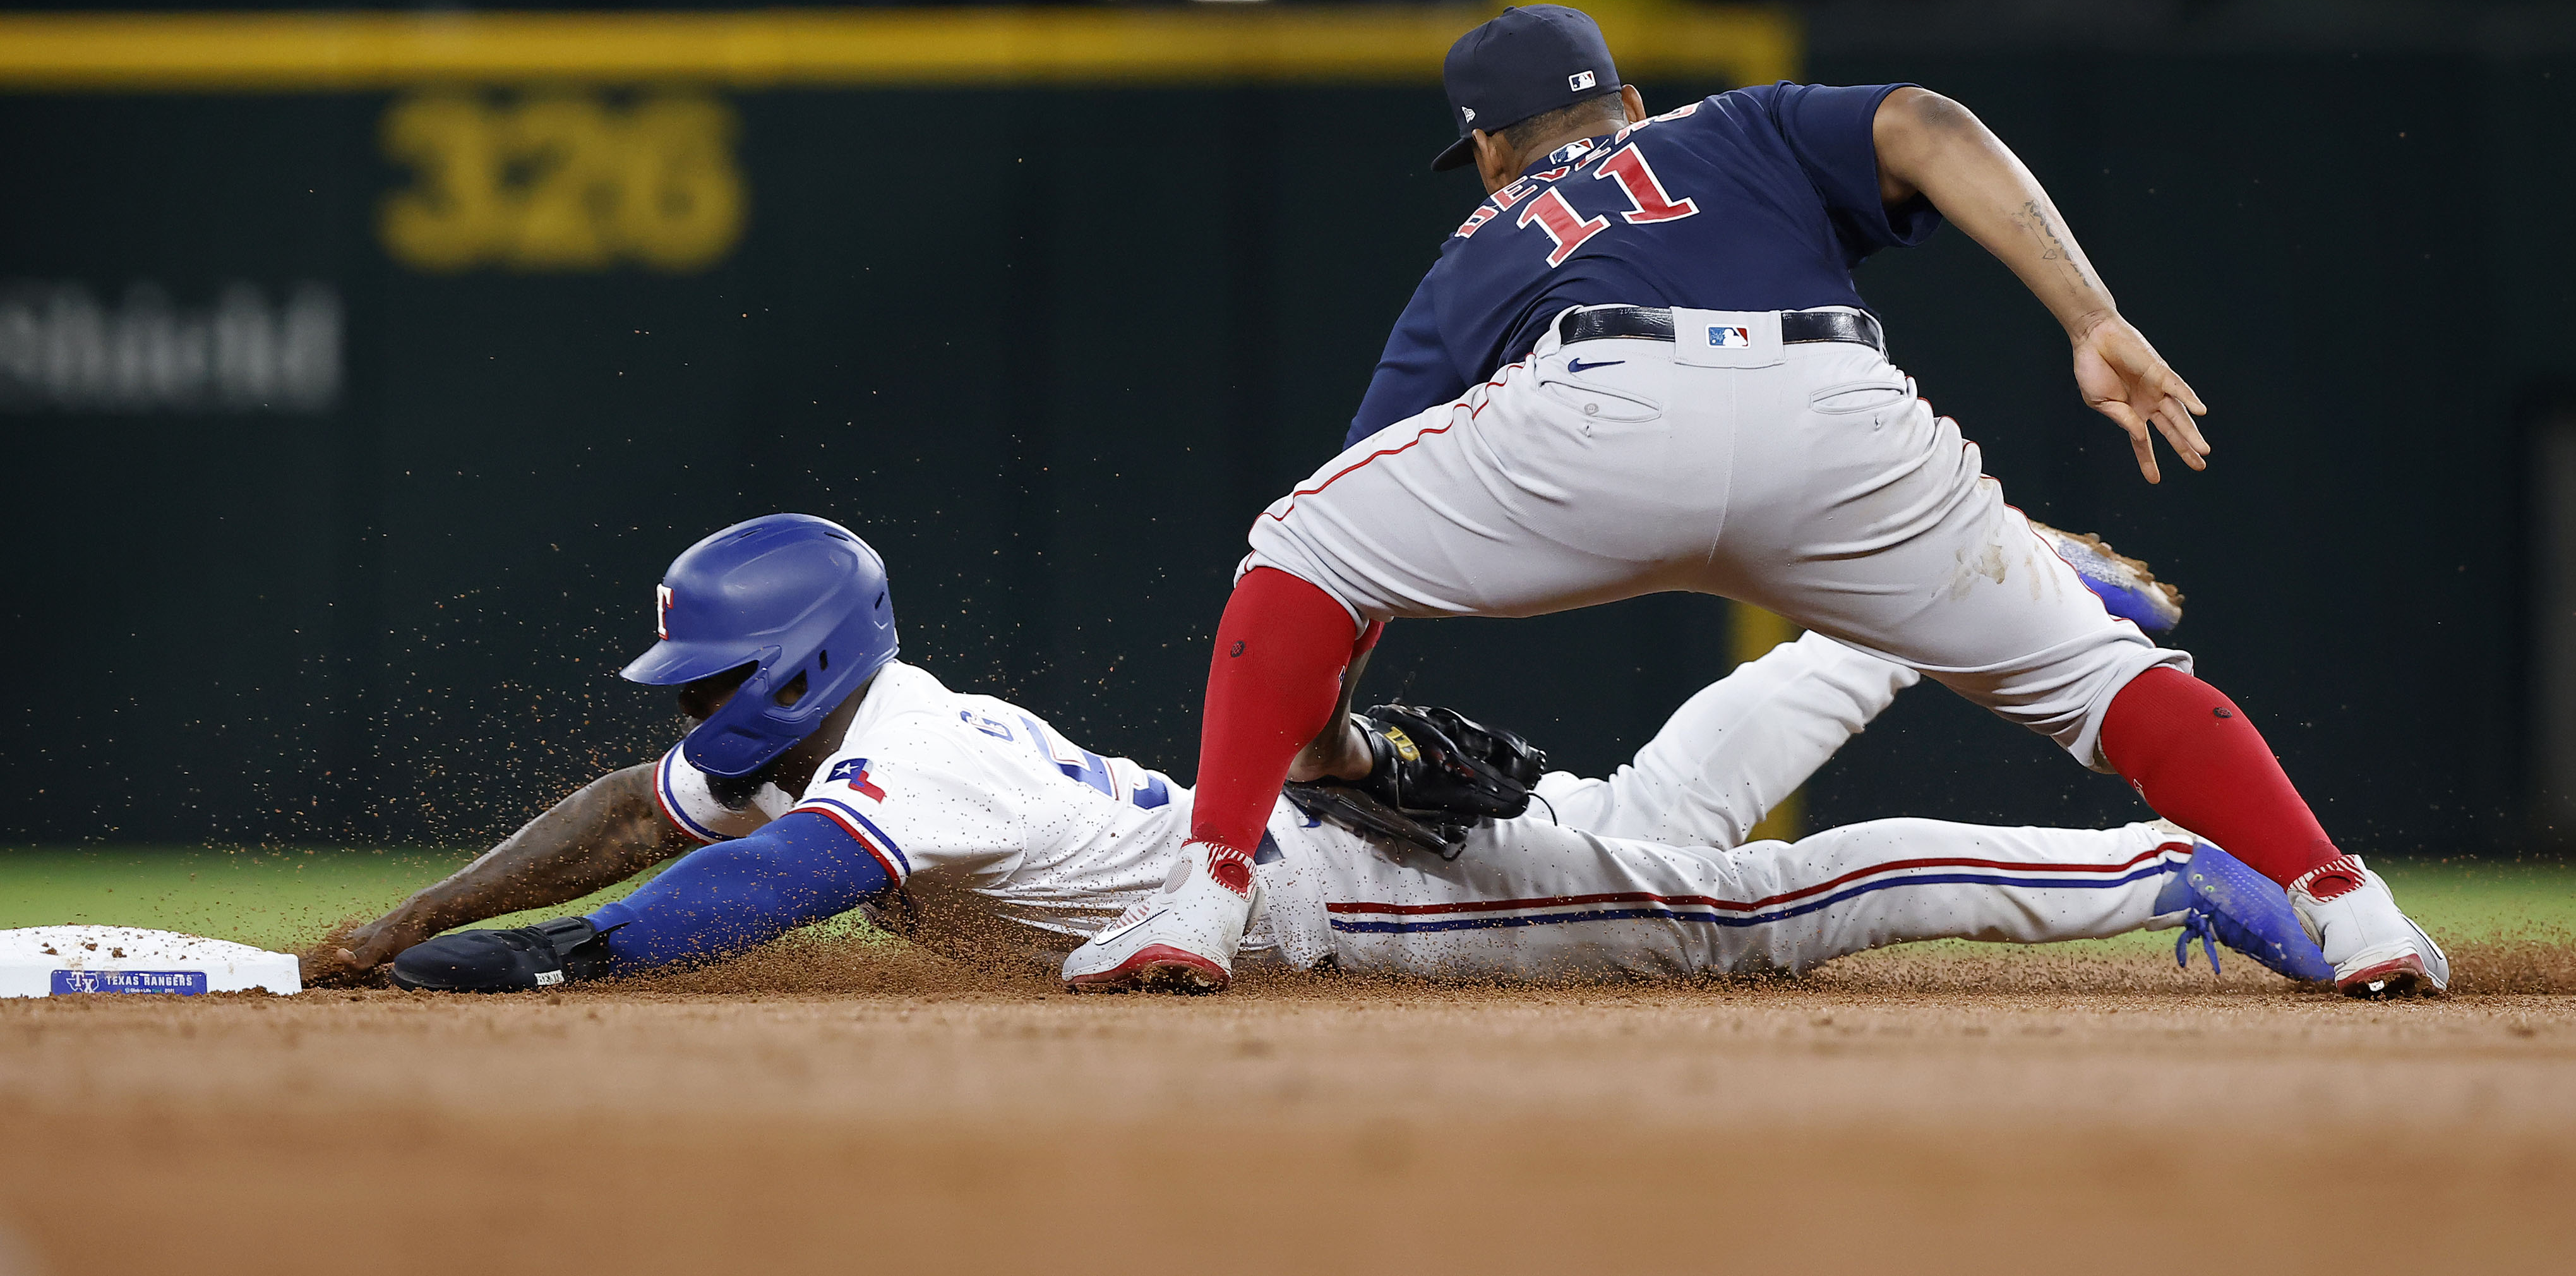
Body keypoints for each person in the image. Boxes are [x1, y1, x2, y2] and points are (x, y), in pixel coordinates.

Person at [1061, 4, 2444, 1000]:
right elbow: (1927, 122)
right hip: (1838, 417)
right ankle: (2353, 906)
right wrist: (2092, 317)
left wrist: (1328, 747)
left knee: (1298, 541)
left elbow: (1346, 559)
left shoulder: (1479, 241)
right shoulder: (1743, 126)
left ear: (1490, 151)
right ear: (1630, 107)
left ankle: (1206, 896)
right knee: (2108, 688)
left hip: (1593, 407)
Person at [318, 512, 2333, 995]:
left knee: (1751, 908)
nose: (682, 715)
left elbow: (755, 886)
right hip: (1313, 851)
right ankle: (1990, 583)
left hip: (1351, 899)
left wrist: (564, 960)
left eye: (702, 681)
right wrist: (422, 915)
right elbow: (628, 810)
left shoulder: (894, 773)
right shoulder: (847, 724)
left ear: (797, 668)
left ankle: (2161, 870)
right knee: (1660, 817)